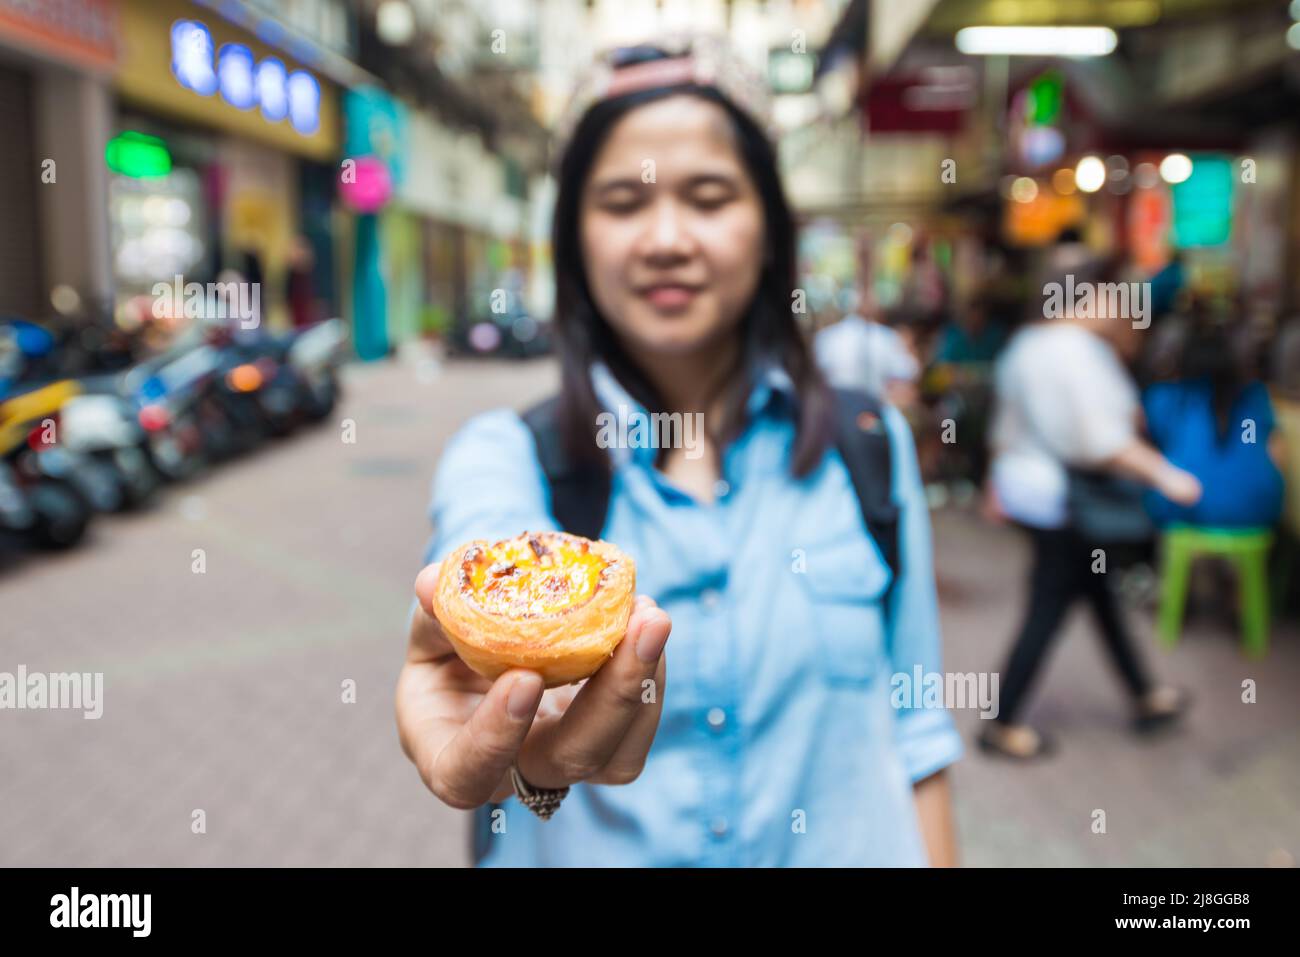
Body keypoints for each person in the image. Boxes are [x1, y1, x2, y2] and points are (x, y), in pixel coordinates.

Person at [395, 37, 963, 866]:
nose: (666, 237)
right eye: (624, 200)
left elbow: (915, 733)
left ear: (769, 224)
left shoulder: (867, 444)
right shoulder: (505, 455)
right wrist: (509, 707)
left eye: (708, 195)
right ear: (575, 237)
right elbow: (486, 550)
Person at [980, 259, 1202, 760]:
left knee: (1095, 595)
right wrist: (1169, 477)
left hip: (1037, 495)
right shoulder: (1074, 351)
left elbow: (1006, 428)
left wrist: (994, 482)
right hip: (1066, 500)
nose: (1120, 306)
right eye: (1111, 295)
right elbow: (1099, 442)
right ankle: (1003, 719)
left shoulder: (1026, 345)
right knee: (1048, 606)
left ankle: (1145, 695)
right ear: (1086, 298)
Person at [1143, 316, 1285, 529]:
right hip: (1256, 516)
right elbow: (1274, 455)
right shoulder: (1255, 398)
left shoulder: (1166, 398)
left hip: (1184, 513)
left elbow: (1149, 451)